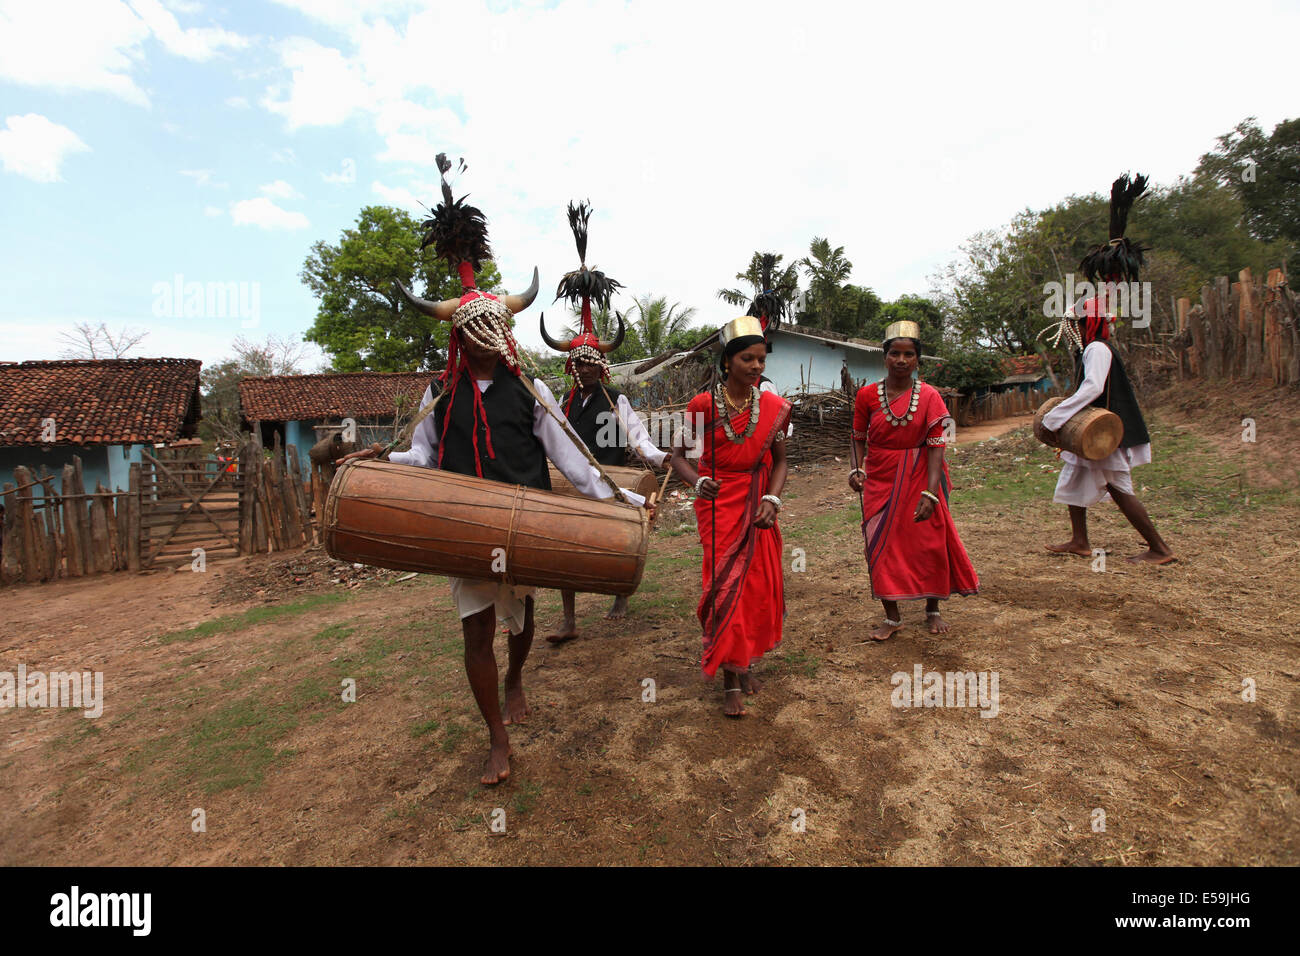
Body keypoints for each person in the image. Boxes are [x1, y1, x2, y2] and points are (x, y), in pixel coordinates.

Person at [339, 156, 644, 786]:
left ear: (504, 331)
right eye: (476, 331)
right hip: (462, 525)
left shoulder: (532, 388)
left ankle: (516, 679)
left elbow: (568, 457)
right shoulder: (437, 393)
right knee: (475, 630)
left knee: (522, 621)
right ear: (458, 336)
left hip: (529, 521)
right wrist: (381, 460)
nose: (488, 339)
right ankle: (497, 735)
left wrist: (617, 497)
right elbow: (421, 460)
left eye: (496, 328)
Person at [539, 201, 669, 640]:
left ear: (603, 367)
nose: (585, 370)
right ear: (571, 368)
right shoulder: (560, 400)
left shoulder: (616, 400)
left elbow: (639, 439)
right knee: (565, 550)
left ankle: (620, 597)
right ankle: (569, 618)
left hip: (614, 480)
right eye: (578, 364)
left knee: (616, 543)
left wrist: (660, 456)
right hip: (573, 484)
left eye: (592, 364)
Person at [1040, 173, 1175, 565]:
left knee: (1118, 486)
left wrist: (1056, 418)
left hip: (1108, 428)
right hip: (1097, 426)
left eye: (1075, 324)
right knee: (1072, 476)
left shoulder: (1097, 349)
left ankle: (1160, 548)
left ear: (1086, 325)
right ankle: (1080, 541)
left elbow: (1092, 389)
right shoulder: (1095, 344)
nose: (1072, 331)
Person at [670, 315, 791, 717]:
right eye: (748, 360)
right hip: (718, 505)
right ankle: (728, 680)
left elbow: (781, 462)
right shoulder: (702, 405)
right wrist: (697, 482)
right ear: (727, 362)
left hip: (758, 503)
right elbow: (678, 458)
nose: (757, 367)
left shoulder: (774, 407)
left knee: (755, 589)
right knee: (724, 589)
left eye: (761, 360)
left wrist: (772, 500)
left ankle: (744, 663)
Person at [849, 320, 979, 640]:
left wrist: (931, 492)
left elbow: (937, 447)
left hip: (923, 473)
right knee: (880, 544)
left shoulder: (931, 396)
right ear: (885, 356)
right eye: (895, 353)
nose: (902, 360)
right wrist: (856, 468)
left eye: (909, 354)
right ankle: (892, 618)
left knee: (929, 543)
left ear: (918, 360)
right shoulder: (866, 395)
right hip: (880, 477)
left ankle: (932, 609)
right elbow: (856, 437)